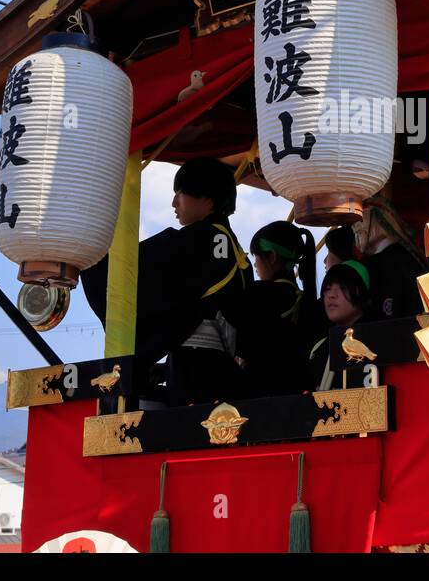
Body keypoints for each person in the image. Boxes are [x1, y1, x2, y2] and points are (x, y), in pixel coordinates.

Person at [80, 158, 251, 406]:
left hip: (198, 374)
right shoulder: (233, 248)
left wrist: (88, 253)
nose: (173, 202)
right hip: (221, 372)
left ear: (206, 197)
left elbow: (131, 277)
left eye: (179, 193)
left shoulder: (204, 239)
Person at [237, 221, 322, 397]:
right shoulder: (305, 299)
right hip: (298, 393)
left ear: (272, 257)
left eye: (256, 258)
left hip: (261, 395)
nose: (255, 265)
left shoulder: (261, 293)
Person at [356, 196, 427, 321]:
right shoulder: (405, 258)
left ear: (381, 222)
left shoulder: (385, 263)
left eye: (360, 219)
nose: (355, 227)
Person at [310, 261, 373, 391]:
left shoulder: (376, 341)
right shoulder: (319, 348)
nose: (331, 295)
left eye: (343, 287)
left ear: (360, 291)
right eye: (327, 288)